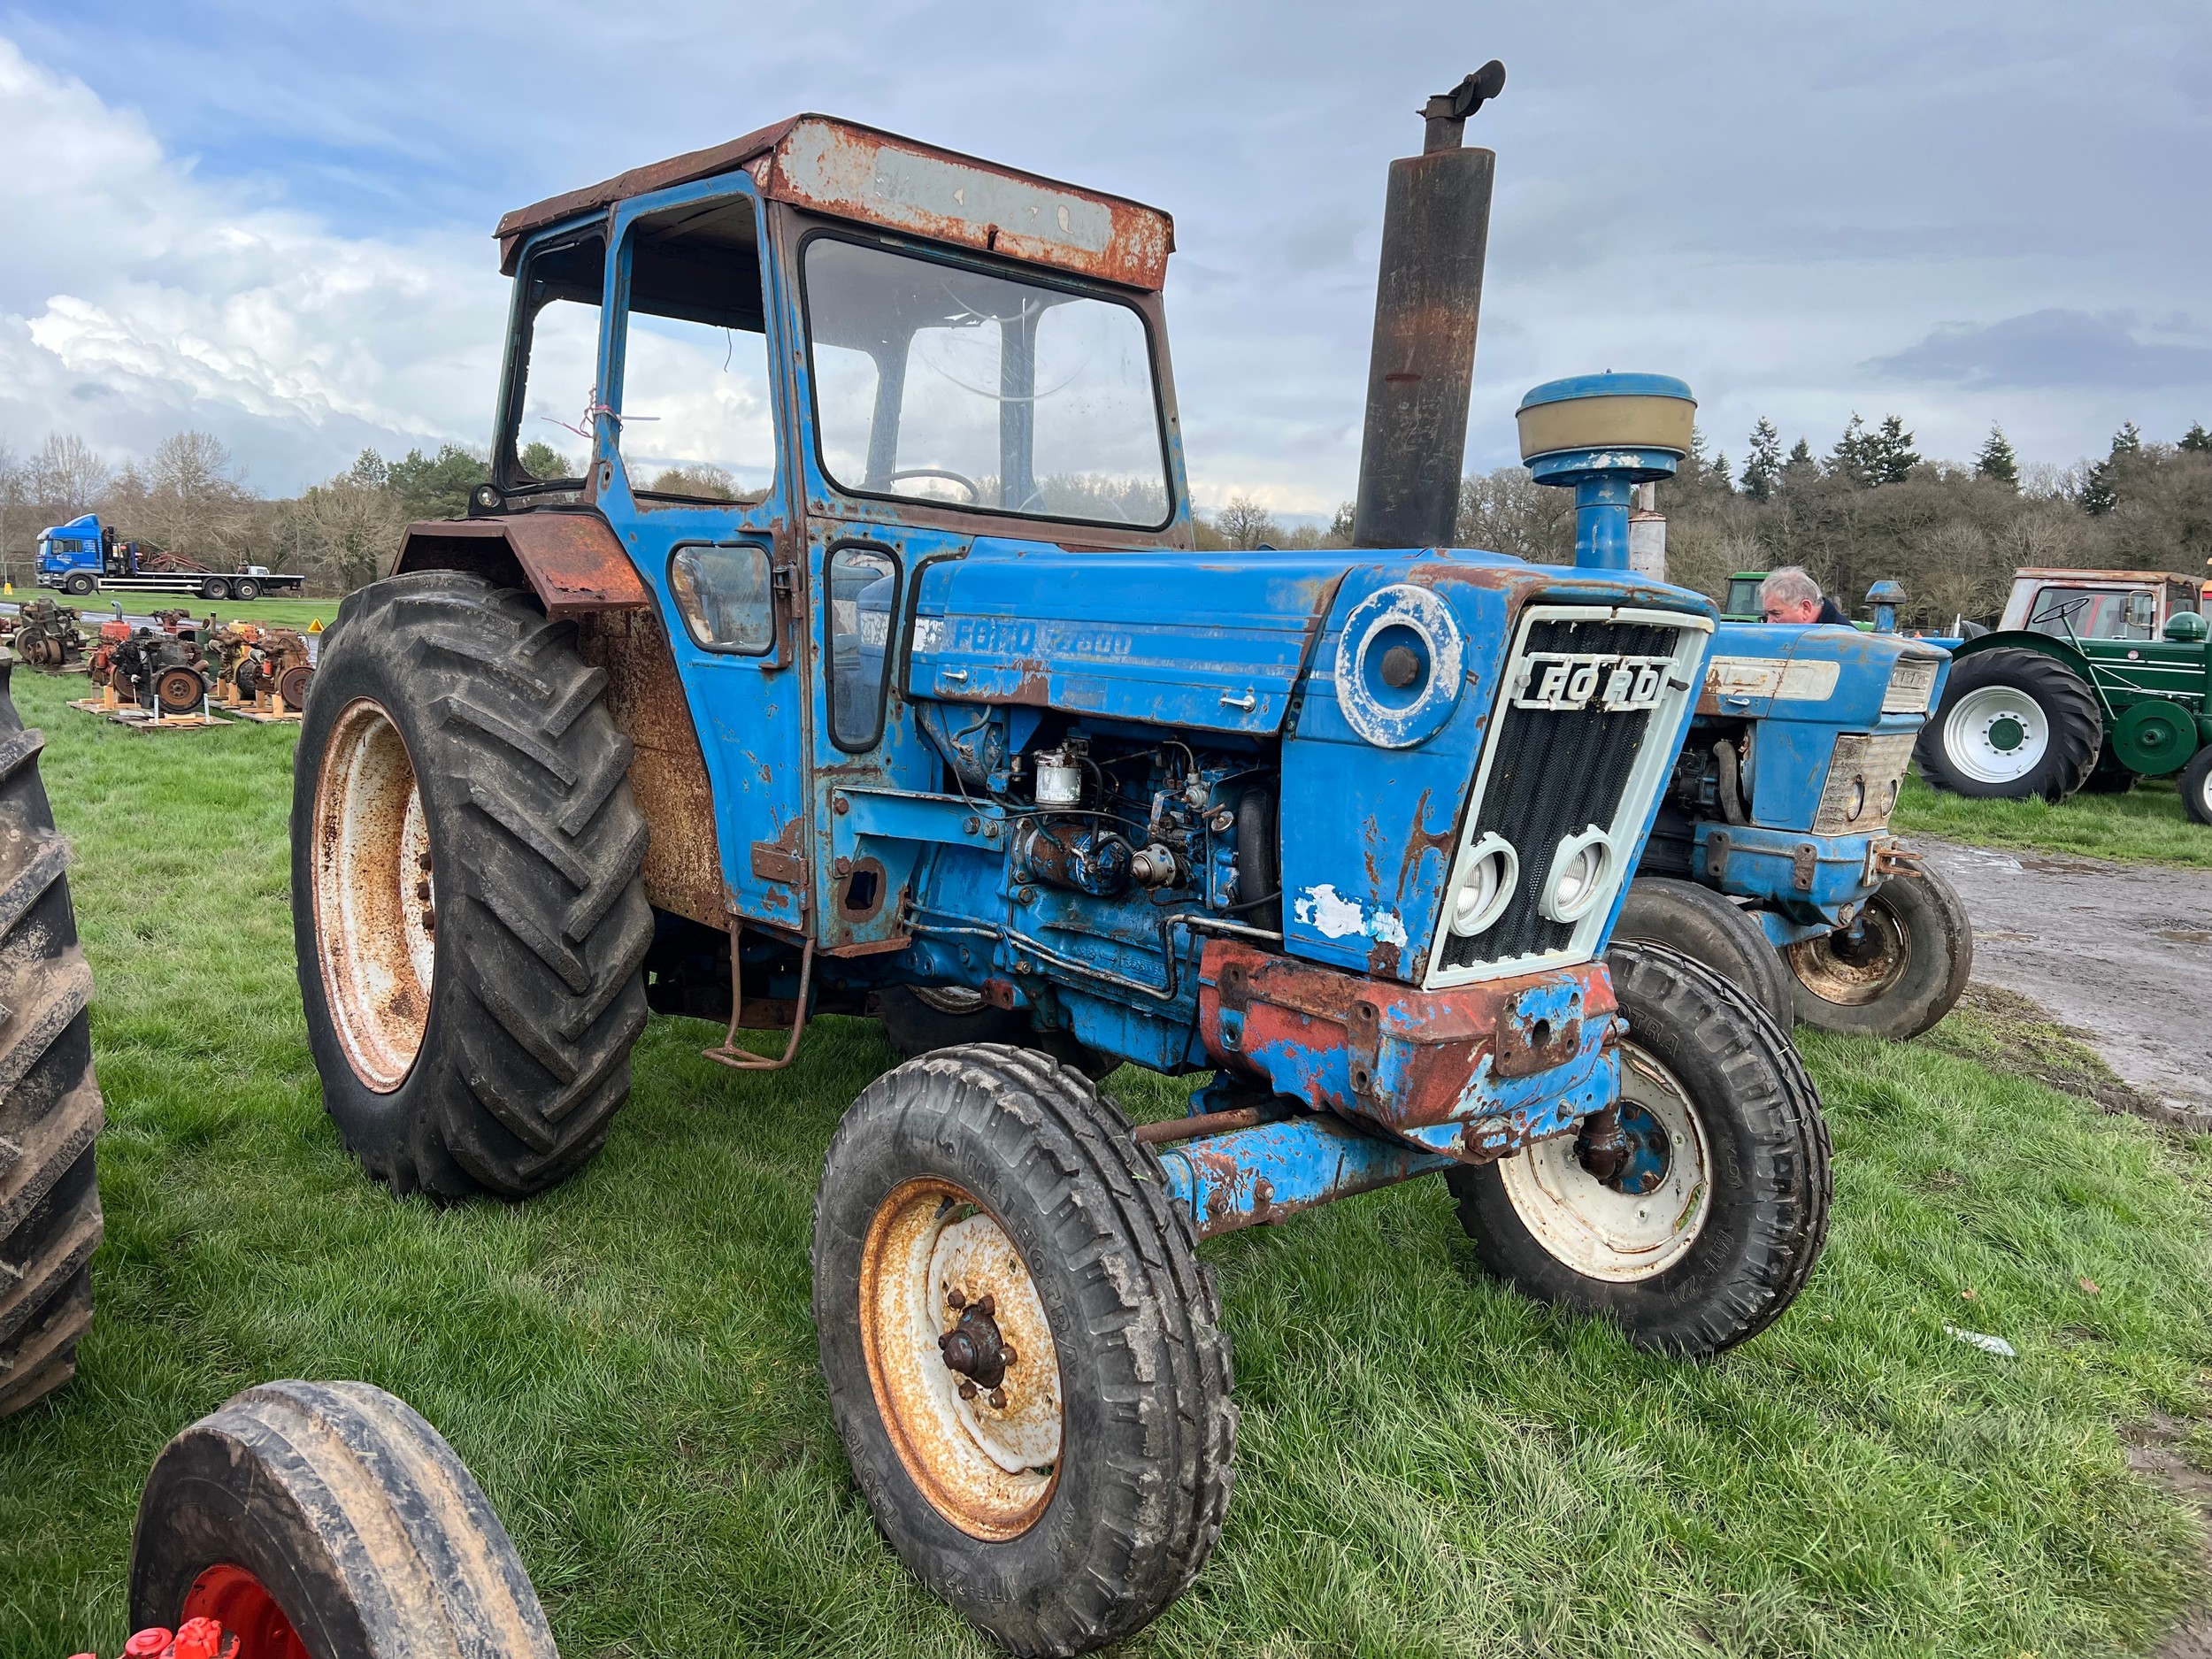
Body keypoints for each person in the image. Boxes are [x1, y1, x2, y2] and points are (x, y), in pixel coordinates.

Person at [1760, 566, 1850, 626]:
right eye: (1767, 615)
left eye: (1776, 614)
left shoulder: (1846, 645)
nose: (1769, 623)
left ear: (1806, 608)